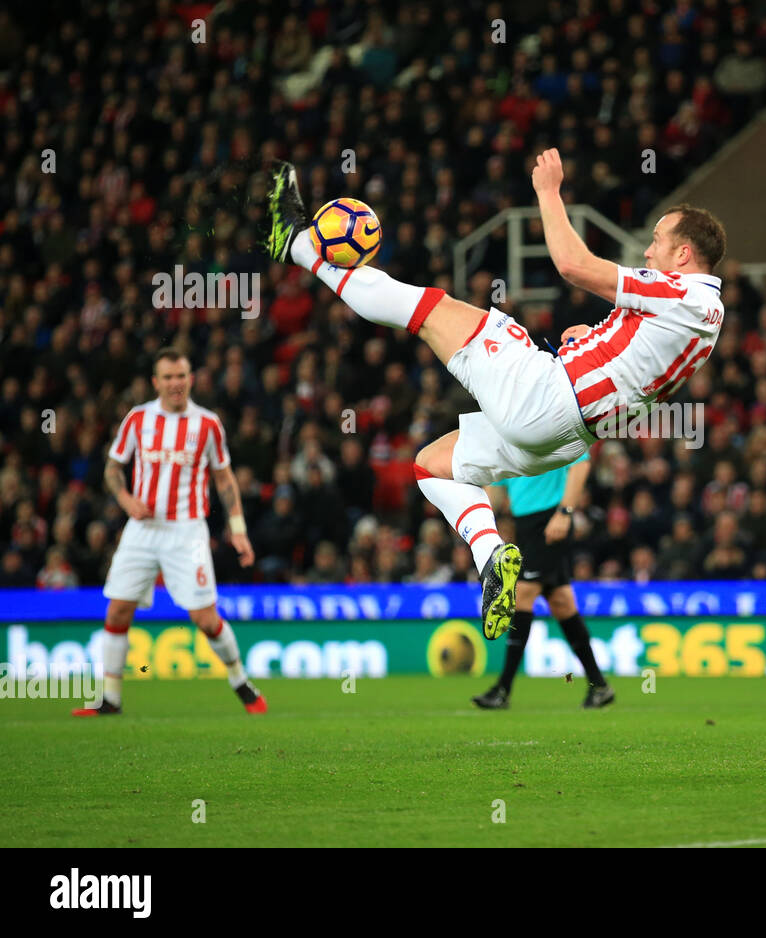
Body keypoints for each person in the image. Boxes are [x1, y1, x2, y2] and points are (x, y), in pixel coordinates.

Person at [264, 150, 726, 641]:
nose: (648, 251)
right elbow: (634, 364)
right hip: (565, 438)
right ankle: (491, 557)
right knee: (430, 466)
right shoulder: (705, 316)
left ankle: (295, 244)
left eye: (657, 241)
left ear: (683, 254)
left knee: (427, 309)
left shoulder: (684, 293)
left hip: (546, 396)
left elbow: (573, 265)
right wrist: (583, 341)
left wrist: (549, 191)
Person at [74, 348, 263, 717]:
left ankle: (240, 681)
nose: (176, 383)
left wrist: (237, 530)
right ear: (155, 382)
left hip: (186, 532)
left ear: (190, 379)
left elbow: (224, 479)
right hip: (141, 530)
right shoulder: (137, 419)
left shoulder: (208, 424)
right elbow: (113, 468)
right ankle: (110, 699)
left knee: (206, 620)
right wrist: (126, 499)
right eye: (168, 377)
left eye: (182, 376)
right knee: (117, 612)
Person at [472, 454, 613, 709]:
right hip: (525, 526)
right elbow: (498, 488)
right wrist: (477, 524)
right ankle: (599, 686)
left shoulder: (551, 425)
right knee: (562, 603)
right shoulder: (509, 434)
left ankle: (502, 689)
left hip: (550, 521)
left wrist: (565, 512)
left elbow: (580, 463)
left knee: (522, 594)